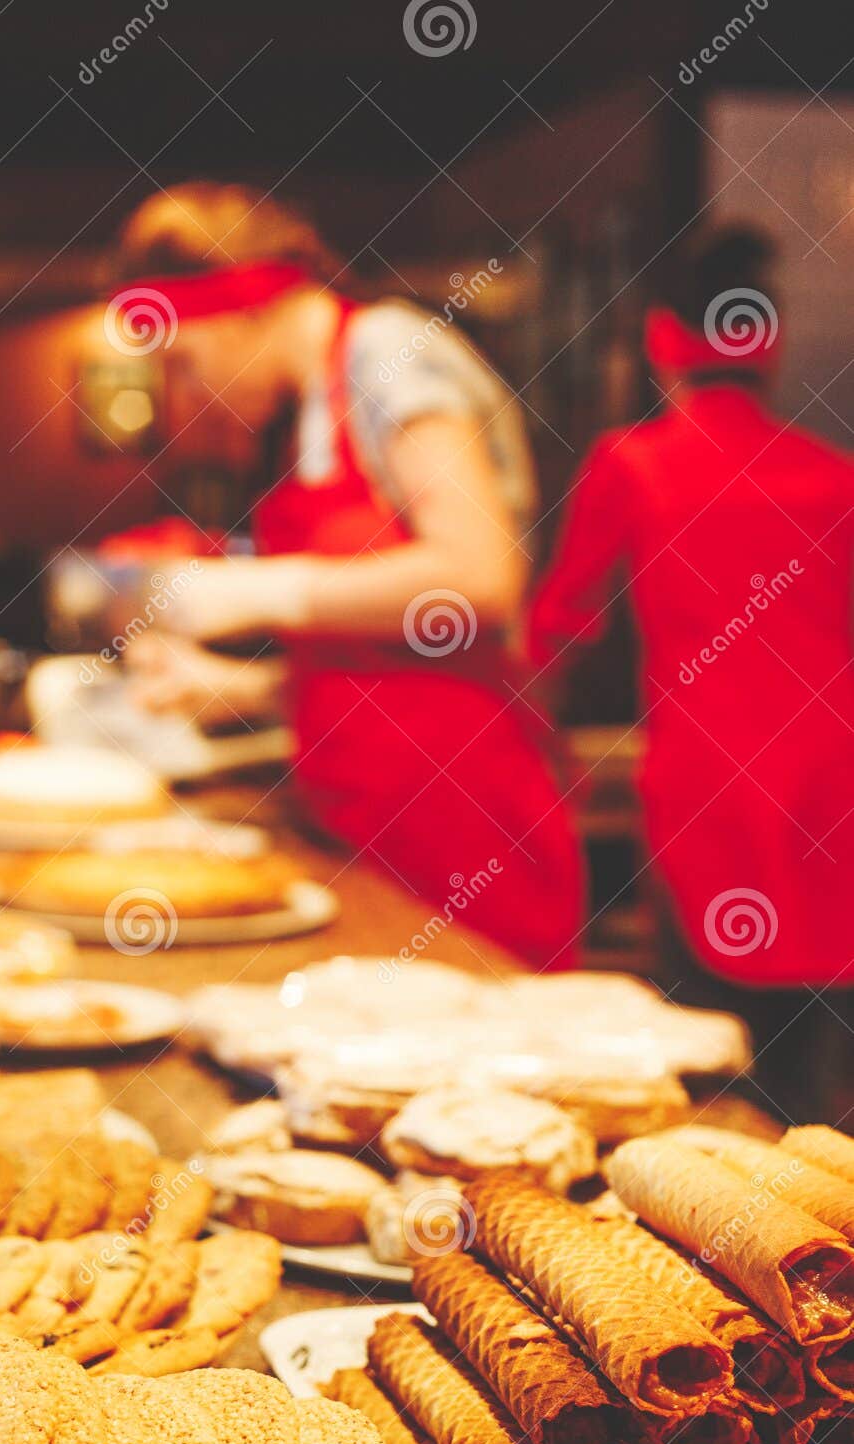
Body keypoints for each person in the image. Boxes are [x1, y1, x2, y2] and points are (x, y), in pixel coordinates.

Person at [112, 183, 584, 970]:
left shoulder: (388, 352)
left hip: (461, 827)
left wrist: (254, 591)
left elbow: (475, 577)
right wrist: (244, 688)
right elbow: (386, 659)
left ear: (243, 309)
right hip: (363, 828)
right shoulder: (310, 412)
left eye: (184, 362)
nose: (188, 396)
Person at [529, 224, 854, 1119]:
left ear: (658, 342)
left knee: (709, 1066)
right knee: (822, 1079)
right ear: (771, 344)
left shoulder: (629, 465)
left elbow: (558, 627)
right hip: (834, 792)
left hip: (710, 787)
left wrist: (534, 754)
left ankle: (722, 1243)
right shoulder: (837, 478)